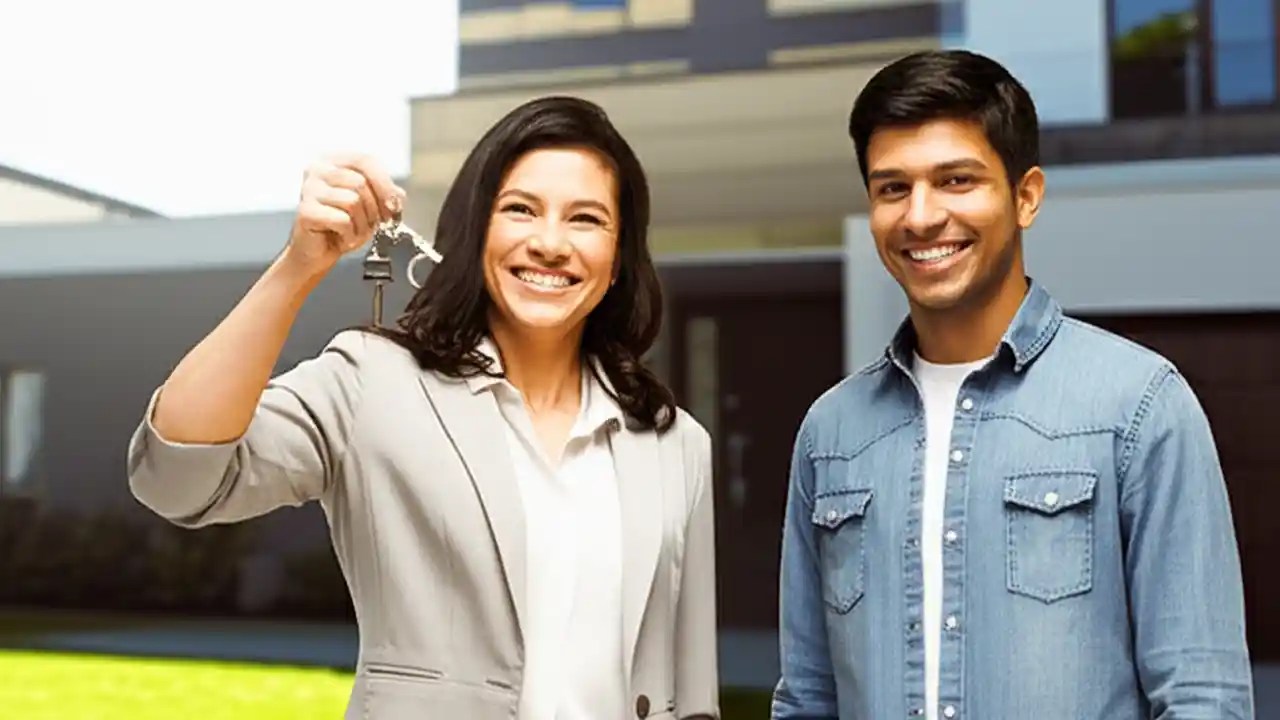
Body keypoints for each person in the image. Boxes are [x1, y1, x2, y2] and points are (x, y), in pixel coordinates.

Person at [127, 96, 719, 720]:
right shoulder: (373, 381)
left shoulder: (678, 445)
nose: (549, 243)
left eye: (586, 219)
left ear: (620, 253)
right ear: (474, 229)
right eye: (520, 209)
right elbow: (179, 478)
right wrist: (300, 267)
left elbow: (692, 691)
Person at [772, 50, 1253, 719]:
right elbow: (807, 698)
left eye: (956, 180)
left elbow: (1204, 699)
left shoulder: (1138, 406)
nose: (921, 216)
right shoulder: (832, 431)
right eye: (892, 188)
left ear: (1025, 196)